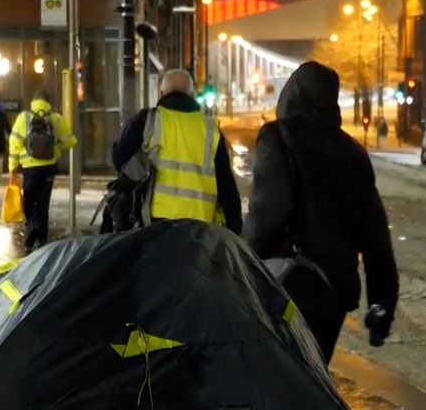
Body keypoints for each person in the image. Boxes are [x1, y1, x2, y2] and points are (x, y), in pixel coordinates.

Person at [245, 61, 398, 364]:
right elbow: (374, 233)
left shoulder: (279, 137)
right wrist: (382, 302)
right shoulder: (353, 153)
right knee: (313, 377)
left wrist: (240, 257)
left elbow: (267, 210)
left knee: (280, 379)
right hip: (333, 293)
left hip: (287, 286)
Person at [111, 69, 242, 233]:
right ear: (192, 95)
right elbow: (226, 185)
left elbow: (119, 161)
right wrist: (235, 229)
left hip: (153, 225)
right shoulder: (210, 129)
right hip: (201, 228)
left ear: (161, 93)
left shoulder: (147, 120)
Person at [9, 91, 77, 251]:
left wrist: (12, 166)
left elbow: (14, 143)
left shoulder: (23, 118)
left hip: (29, 168)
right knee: (43, 203)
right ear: (49, 102)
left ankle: (31, 232)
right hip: (48, 168)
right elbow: (71, 141)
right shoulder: (56, 119)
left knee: (29, 201)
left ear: (33, 101)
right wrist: (56, 149)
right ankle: (41, 239)